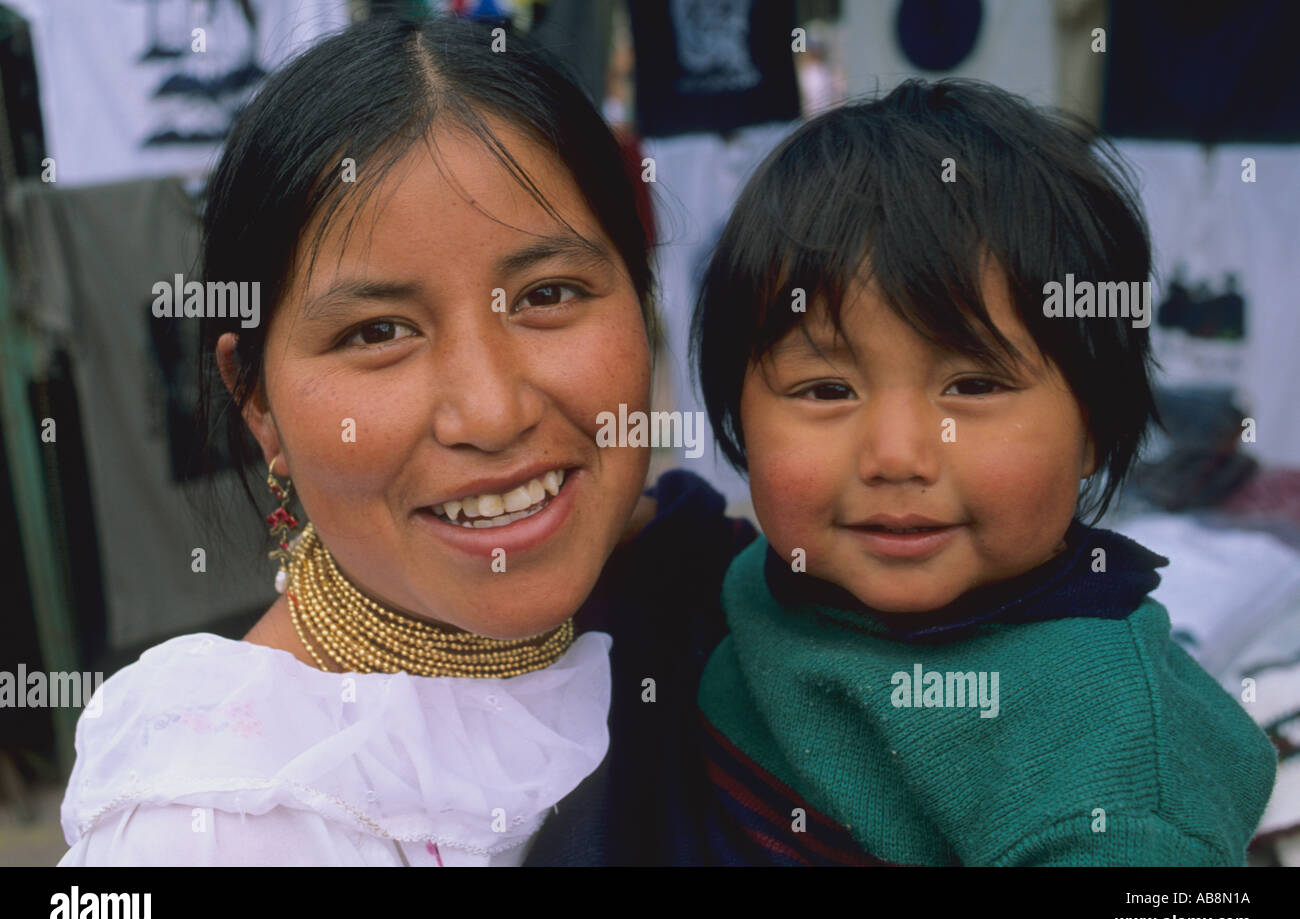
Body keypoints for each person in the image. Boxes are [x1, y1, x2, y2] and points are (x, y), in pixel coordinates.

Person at [57, 13, 751, 867]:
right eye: (378, 332)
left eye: (548, 294)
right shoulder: (216, 821)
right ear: (258, 404)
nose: (493, 413)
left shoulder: (726, 608)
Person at [689, 79, 1278, 865]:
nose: (896, 456)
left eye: (973, 386)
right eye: (827, 389)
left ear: (1096, 426)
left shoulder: (1110, 781)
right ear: (737, 416)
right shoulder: (743, 583)